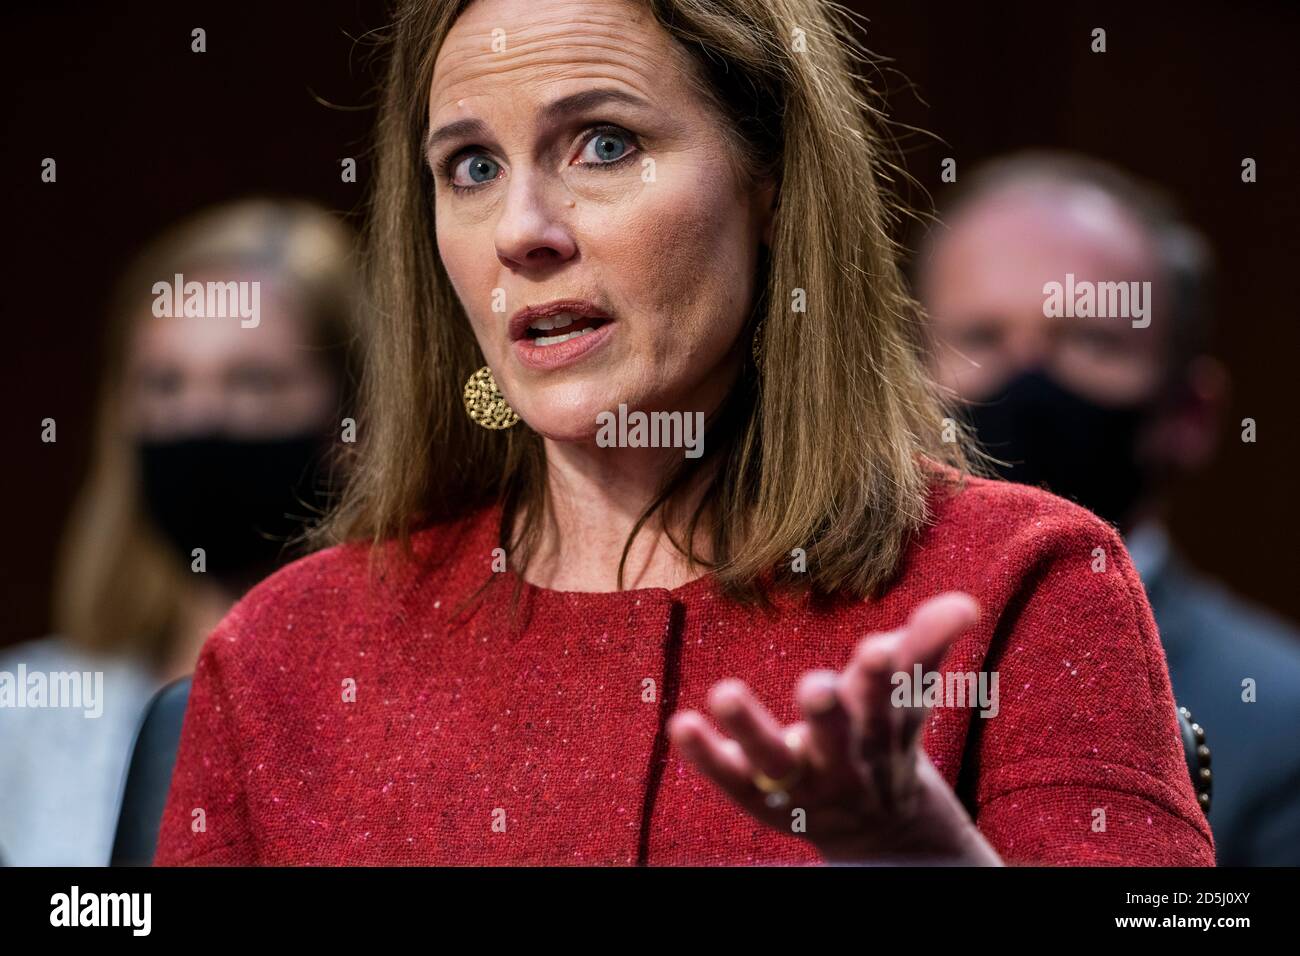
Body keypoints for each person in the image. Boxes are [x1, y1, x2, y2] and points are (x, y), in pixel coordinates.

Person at [154, 0, 1211, 866]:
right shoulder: (284, 652)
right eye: (470, 166)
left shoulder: (1025, 584)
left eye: (603, 145)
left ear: (772, 185)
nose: (523, 229)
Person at [916, 151, 1300, 865]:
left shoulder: (1283, 719)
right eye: (980, 338)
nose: (1028, 379)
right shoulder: (821, 666)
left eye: (1090, 341)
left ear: (1189, 413)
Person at [0, 199, 359, 865]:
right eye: (164, 385)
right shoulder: (21, 714)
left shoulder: (401, 710)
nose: (200, 419)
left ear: (352, 421)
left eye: (252, 381)